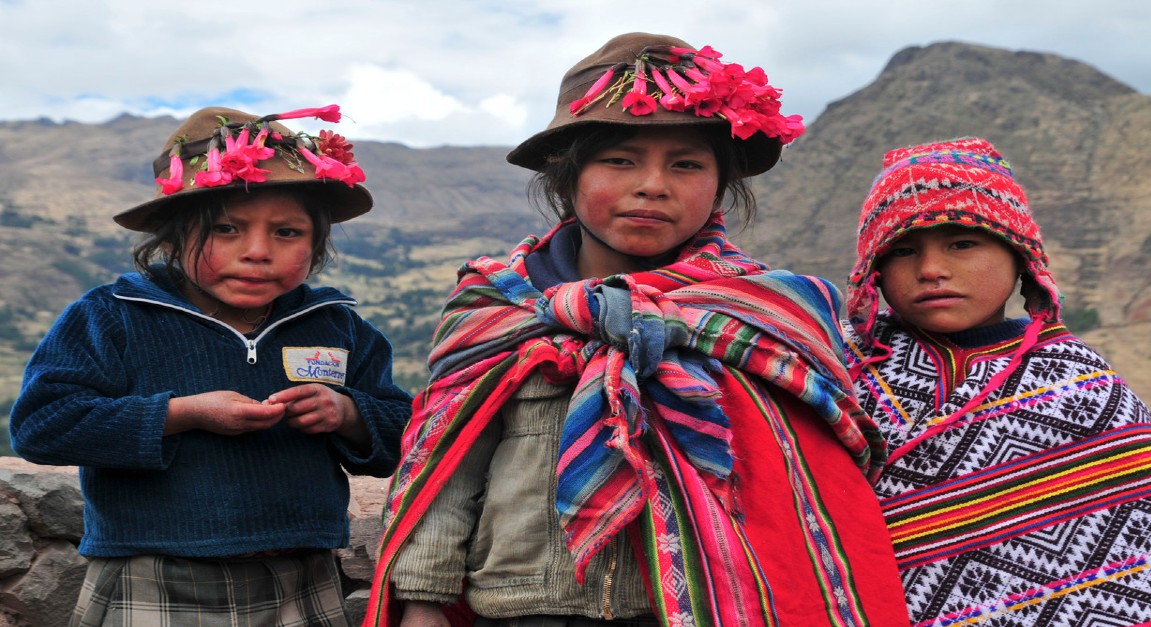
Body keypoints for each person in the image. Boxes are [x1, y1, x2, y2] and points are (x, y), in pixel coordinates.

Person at [365, 32, 909, 627]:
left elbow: (805, 485)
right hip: (523, 608)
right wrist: (421, 599)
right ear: (565, 176)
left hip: (699, 608)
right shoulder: (496, 310)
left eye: (687, 165)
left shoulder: (768, 312)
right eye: (620, 160)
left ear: (721, 186)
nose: (653, 184)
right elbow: (445, 462)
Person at [9, 105, 413, 627]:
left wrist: (347, 412)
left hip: (302, 576)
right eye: (226, 229)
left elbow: (406, 430)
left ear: (316, 246)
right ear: (173, 238)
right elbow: (43, 425)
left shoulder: (335, 325)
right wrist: (183, 414)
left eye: (288, 233)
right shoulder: (113, 317)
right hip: (153, 573)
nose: (258, 251)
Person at [843, 137, 1151, 626]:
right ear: (874, 273)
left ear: (1019, 257)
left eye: (962, 243)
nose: (931, 269)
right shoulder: (836, 371)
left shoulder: (1083, 386)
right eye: (902, 250)